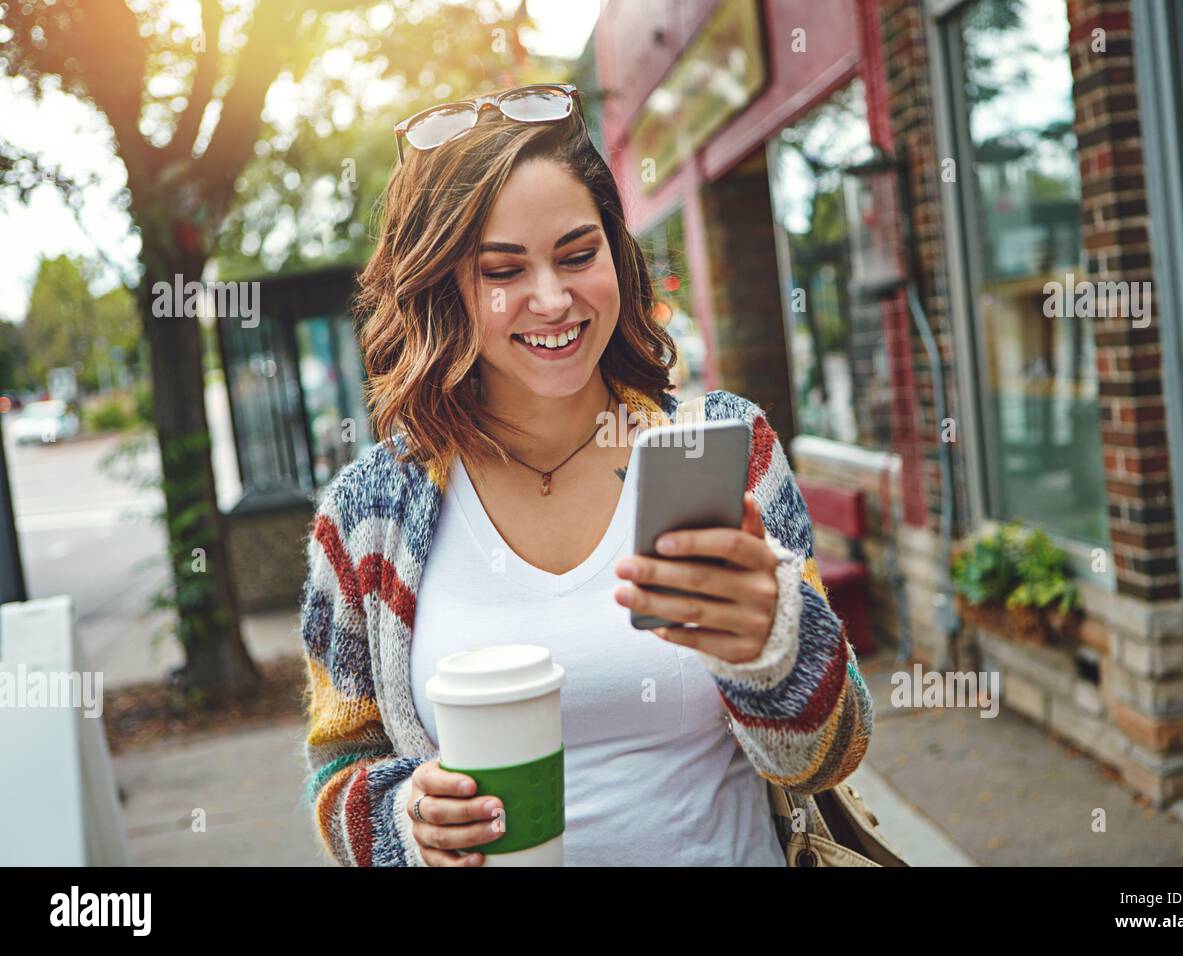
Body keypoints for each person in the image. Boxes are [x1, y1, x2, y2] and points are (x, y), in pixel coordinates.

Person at [299, 83, 874, 866]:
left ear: (615, 251)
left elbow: (827, 756)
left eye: (578, 254)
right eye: (503, 270)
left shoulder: (724, 445)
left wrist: (772, 645)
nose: (552, 298)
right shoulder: (368, 515)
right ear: (442, 287)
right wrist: (406, 821)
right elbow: (339, 769)